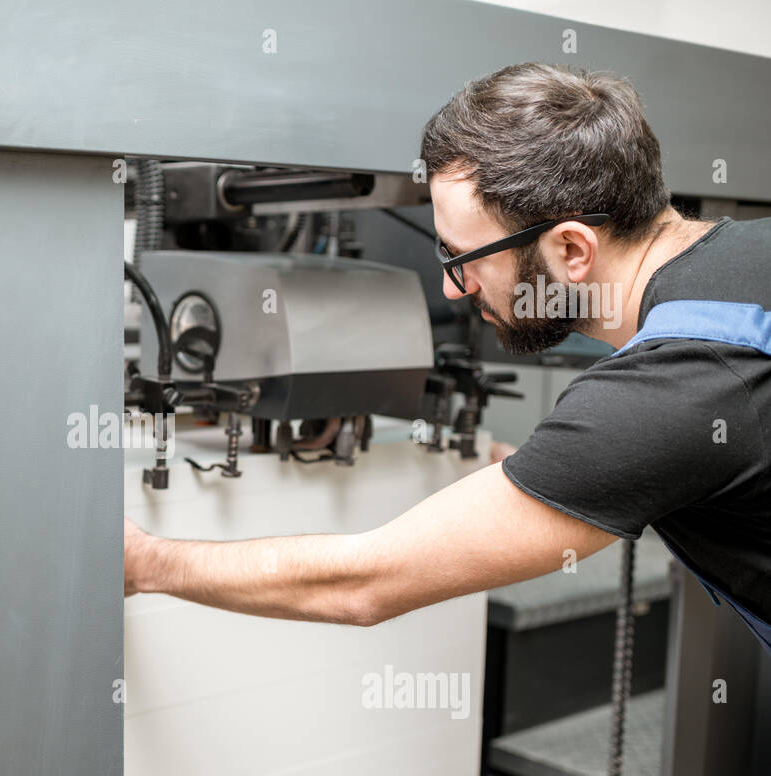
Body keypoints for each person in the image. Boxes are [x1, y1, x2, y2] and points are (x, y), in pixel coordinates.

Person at [123, 62, 771, 652]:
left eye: (462, 259)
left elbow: (364, 584)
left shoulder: (676, 384)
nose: (451, 288)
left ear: (572, 251)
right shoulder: (749, 258)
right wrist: (538, 470)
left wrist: (149, 563)